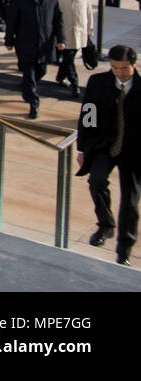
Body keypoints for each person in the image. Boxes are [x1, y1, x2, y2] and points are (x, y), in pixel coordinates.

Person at [77, 45, 141, 266]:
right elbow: (88, 115)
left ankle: (124, 250)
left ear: (134, 64)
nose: (119, 73)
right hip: (106, 145)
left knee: (130, 201)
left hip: (134, 151)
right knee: (96, 180)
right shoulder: (98, 83)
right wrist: (83, 148)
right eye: (114, 67)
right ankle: (106, 224)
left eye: (124, 68)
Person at [5, 0, 65, 118]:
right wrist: (9, 40)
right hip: (25, 43)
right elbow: (12, 20)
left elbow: (58, 20)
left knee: (41, 71)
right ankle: (34, 102)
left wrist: (61, 39)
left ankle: (27, 89)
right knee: (29, 73)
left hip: (45, 44)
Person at [52, 0, 93, 99]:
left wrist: (89, 30)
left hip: (80, 32)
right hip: (64, 33)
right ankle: (75, 84)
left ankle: (60, 75)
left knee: (69, 57)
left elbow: (89, 12)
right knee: (69, 59)